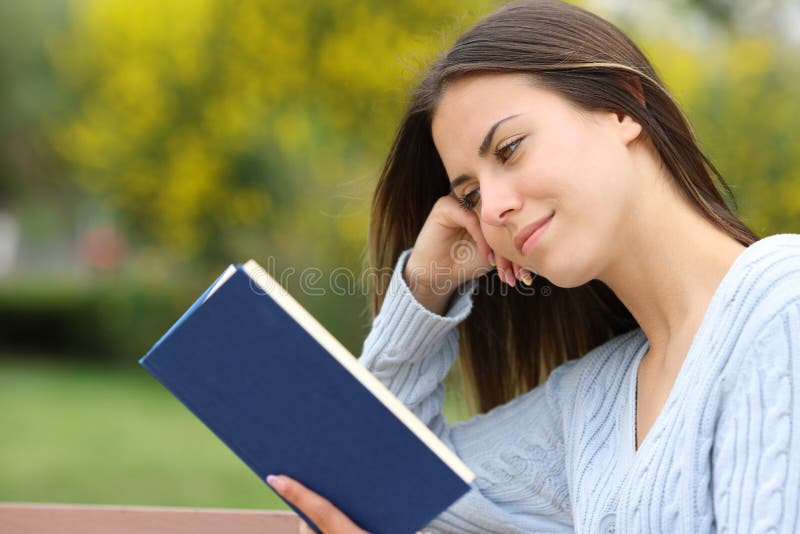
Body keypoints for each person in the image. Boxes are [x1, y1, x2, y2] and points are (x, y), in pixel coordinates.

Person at [266, 0, 800, 531]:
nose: (493, 209)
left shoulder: (781, 305)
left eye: (510, 148)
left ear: (623, 107)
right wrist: (427, 286)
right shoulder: (592, 407)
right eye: (470, 195)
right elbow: (371, 480)